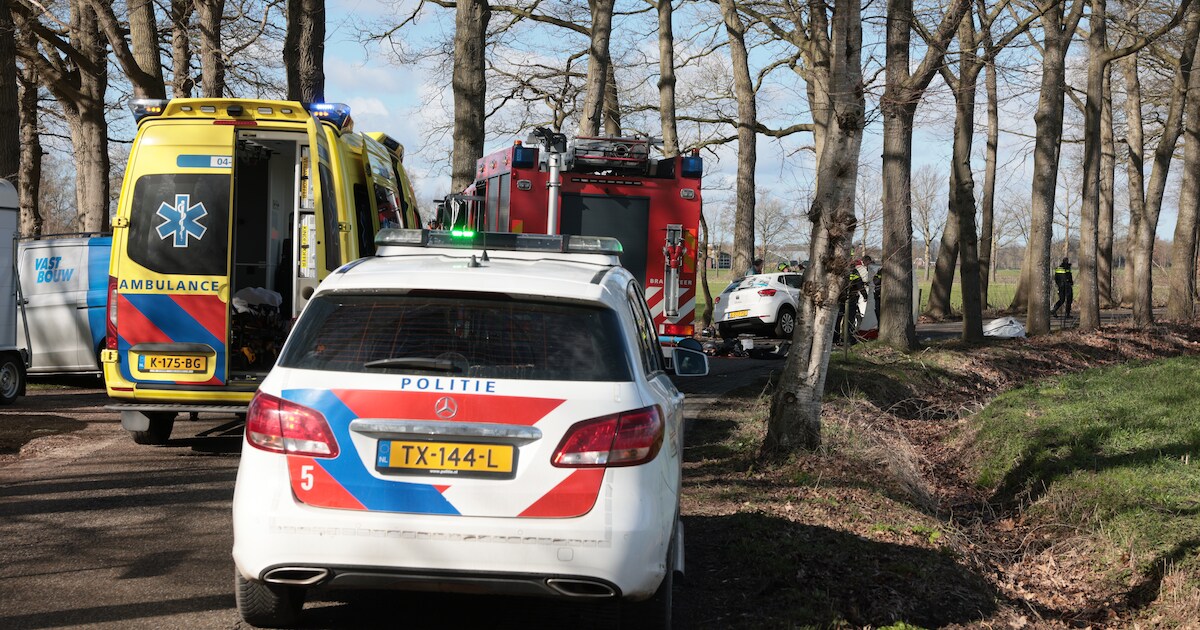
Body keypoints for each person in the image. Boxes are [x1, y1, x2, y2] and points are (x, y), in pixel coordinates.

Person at [834, 262, 868, 344]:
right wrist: (865, 296)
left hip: (840, 299)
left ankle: (835, 339)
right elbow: (859, 285)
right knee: (849, 320)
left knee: (837, 320)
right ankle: (848, 339)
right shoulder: (854, 272)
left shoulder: (839, 272)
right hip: (851, 299)